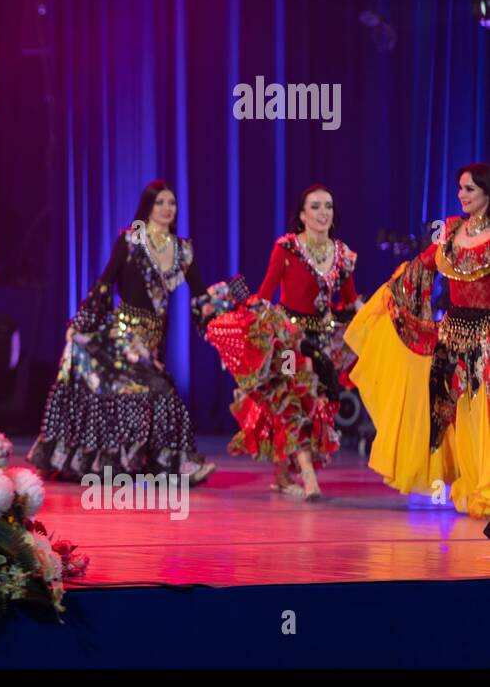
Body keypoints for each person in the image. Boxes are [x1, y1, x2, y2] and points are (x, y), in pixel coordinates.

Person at [28, 180, 220, 484]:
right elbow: (104, 284)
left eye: (172, 203)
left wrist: (225, 318)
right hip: (121, 337)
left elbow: (200, 297)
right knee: (158, 390)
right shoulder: (130, 241)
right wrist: (80, 324)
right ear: (147, 207)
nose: (167, 208)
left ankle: (140, 463)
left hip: (152, 343)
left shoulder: (182, 250)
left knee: (151, 392)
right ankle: (168, 466)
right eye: (160, 202)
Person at [346, 162, 490, 518]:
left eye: (469, 189)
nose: (461, 194)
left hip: (486, 337)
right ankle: (471, 488)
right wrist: (392, 296)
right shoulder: (453, 230)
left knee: (482, 414)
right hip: (453, 337)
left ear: (487, 192)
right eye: (460, 188)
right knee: (454, 415)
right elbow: (423, 266)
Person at [205, 185, 358, 501]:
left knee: (314, 405)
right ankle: (309, 477)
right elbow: (264, 294)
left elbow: (349, 301)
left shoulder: (342, 254)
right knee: (291, 398)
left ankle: (284, 473)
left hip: (322, 340)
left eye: (327, 206)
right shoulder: (287, 248)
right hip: (288, 340)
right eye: (314, 207)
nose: (322, 213)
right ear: (302, 215)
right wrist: (237, 313)